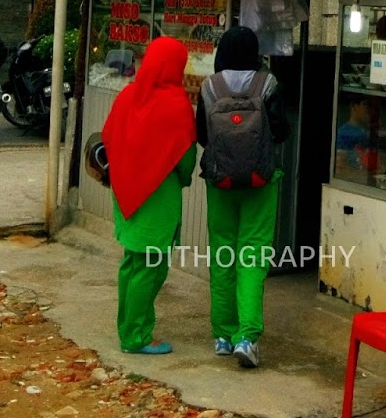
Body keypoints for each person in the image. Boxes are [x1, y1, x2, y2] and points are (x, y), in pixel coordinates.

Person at [197, 26, 289, 368]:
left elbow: (201, 135)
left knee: (222, 254)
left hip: (219, 181)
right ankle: (247, 338)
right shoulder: (268, 84)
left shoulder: (209, 86)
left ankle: (223, 335)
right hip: (260, 181)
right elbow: (280, 130)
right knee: (252, 254)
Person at [103, 36, 197, 355]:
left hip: (126, 192)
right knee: (151, 267)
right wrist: (181, 178)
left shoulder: (128, 95)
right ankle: (137, 336)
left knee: (132, 262)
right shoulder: (176, 103)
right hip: (159, 196)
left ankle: (127, 328)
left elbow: (108, 136)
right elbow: (185, 160)